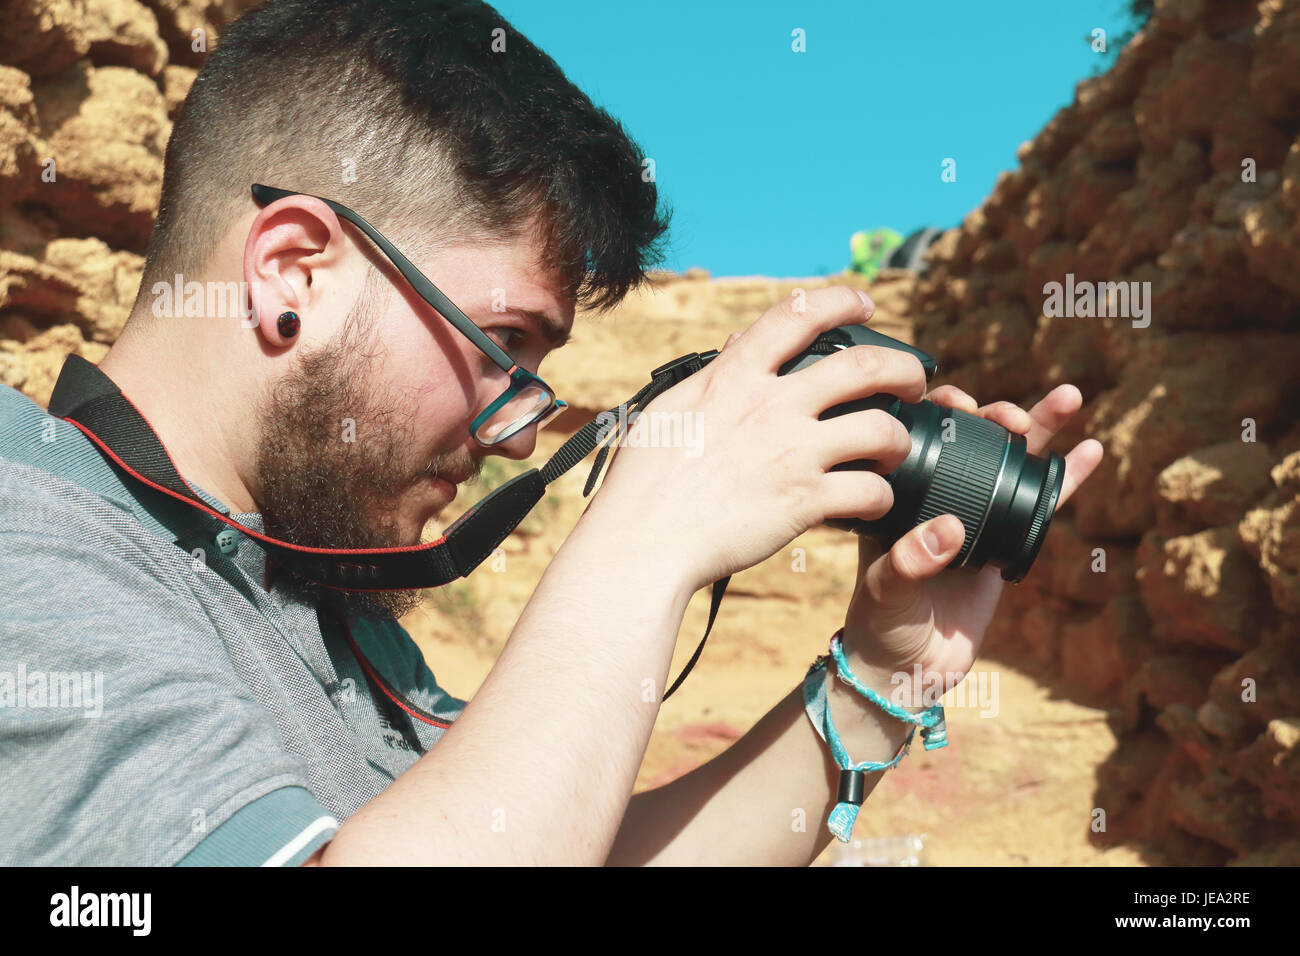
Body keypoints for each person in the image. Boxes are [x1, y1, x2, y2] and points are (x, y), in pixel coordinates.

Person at [0, 0, 1102, 866]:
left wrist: (878, 678)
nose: (520, 431)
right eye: (503, 340)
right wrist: (648, 535)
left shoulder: (314, 607)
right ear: (294, 272)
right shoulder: (28, 538)